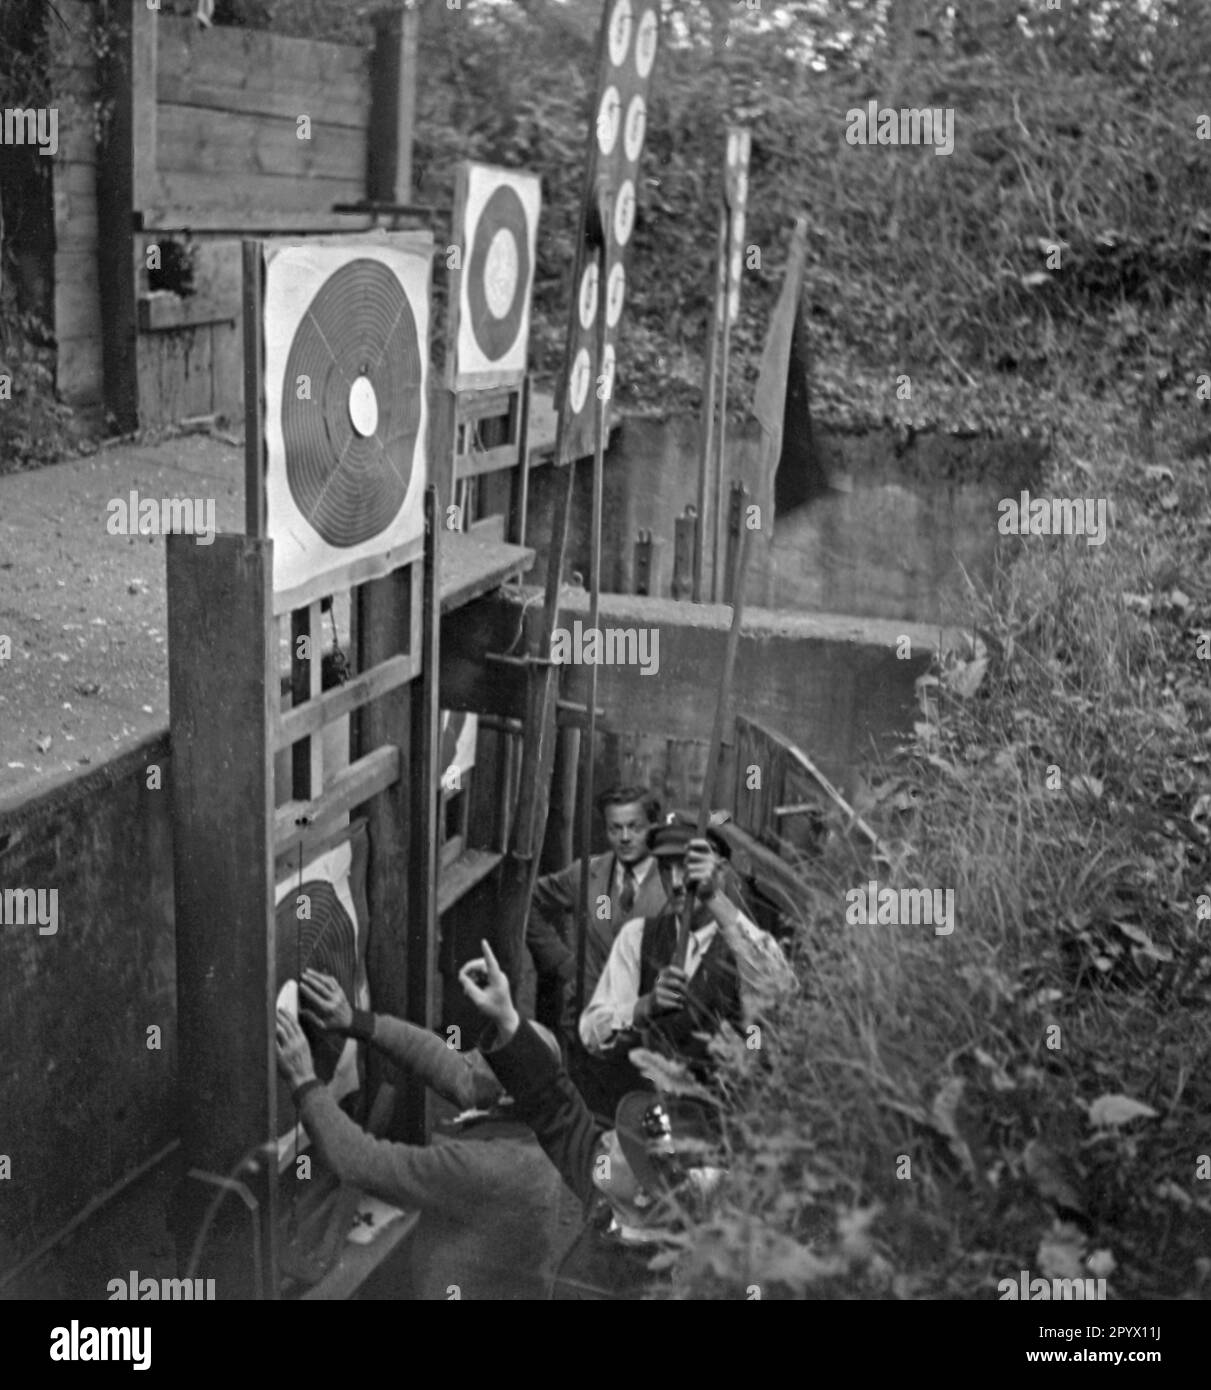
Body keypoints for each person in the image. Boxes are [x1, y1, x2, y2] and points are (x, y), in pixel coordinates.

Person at [274, 967, 564, 1300]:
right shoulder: (538, 1107)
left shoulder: (485, 1167)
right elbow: (440, 1059)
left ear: (505, 1096)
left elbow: (360, 1159)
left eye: (485, 1057)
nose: (469, 1058)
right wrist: (354, 1020)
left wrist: (303, 1081)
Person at [459, 941, 727, 1300]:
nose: (606, 1140)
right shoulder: (618, 1193)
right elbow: (557, 1107)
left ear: (645, 1197)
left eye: (622, 1146)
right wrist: (507, 1016)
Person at [578, 822, 795, 1101]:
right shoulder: (638, 937)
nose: (678, 882)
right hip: (650, 1114)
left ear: (721, 871)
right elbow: (592, 1033)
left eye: (688, 867)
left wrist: (713, 897)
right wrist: (645, 1007)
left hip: (725, 1119)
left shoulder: (746, 941)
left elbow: (781, 990)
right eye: (667, 869)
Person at [525, 784, 665, 1034]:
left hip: (646, 1029)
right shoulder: (587, 874)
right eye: (615, 828)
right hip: (585, 1019)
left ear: (652, 828)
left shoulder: (671, 882)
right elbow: (530, 901)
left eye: (634, 827)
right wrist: (561, 961)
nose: (624, 837)